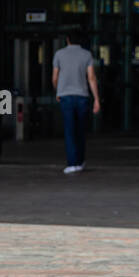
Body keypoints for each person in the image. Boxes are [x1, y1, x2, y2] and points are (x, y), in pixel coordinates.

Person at [51, 30, 101, 174]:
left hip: (66, 96)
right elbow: (91, 77)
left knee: (69, 130)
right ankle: (80, 161)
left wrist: (58, 90)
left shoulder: (59, 54)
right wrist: (96, 99)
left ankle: (73, 163)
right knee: (80, 130)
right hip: (82, 96)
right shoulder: (87, 55)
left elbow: (55, 77)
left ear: (67, 39)